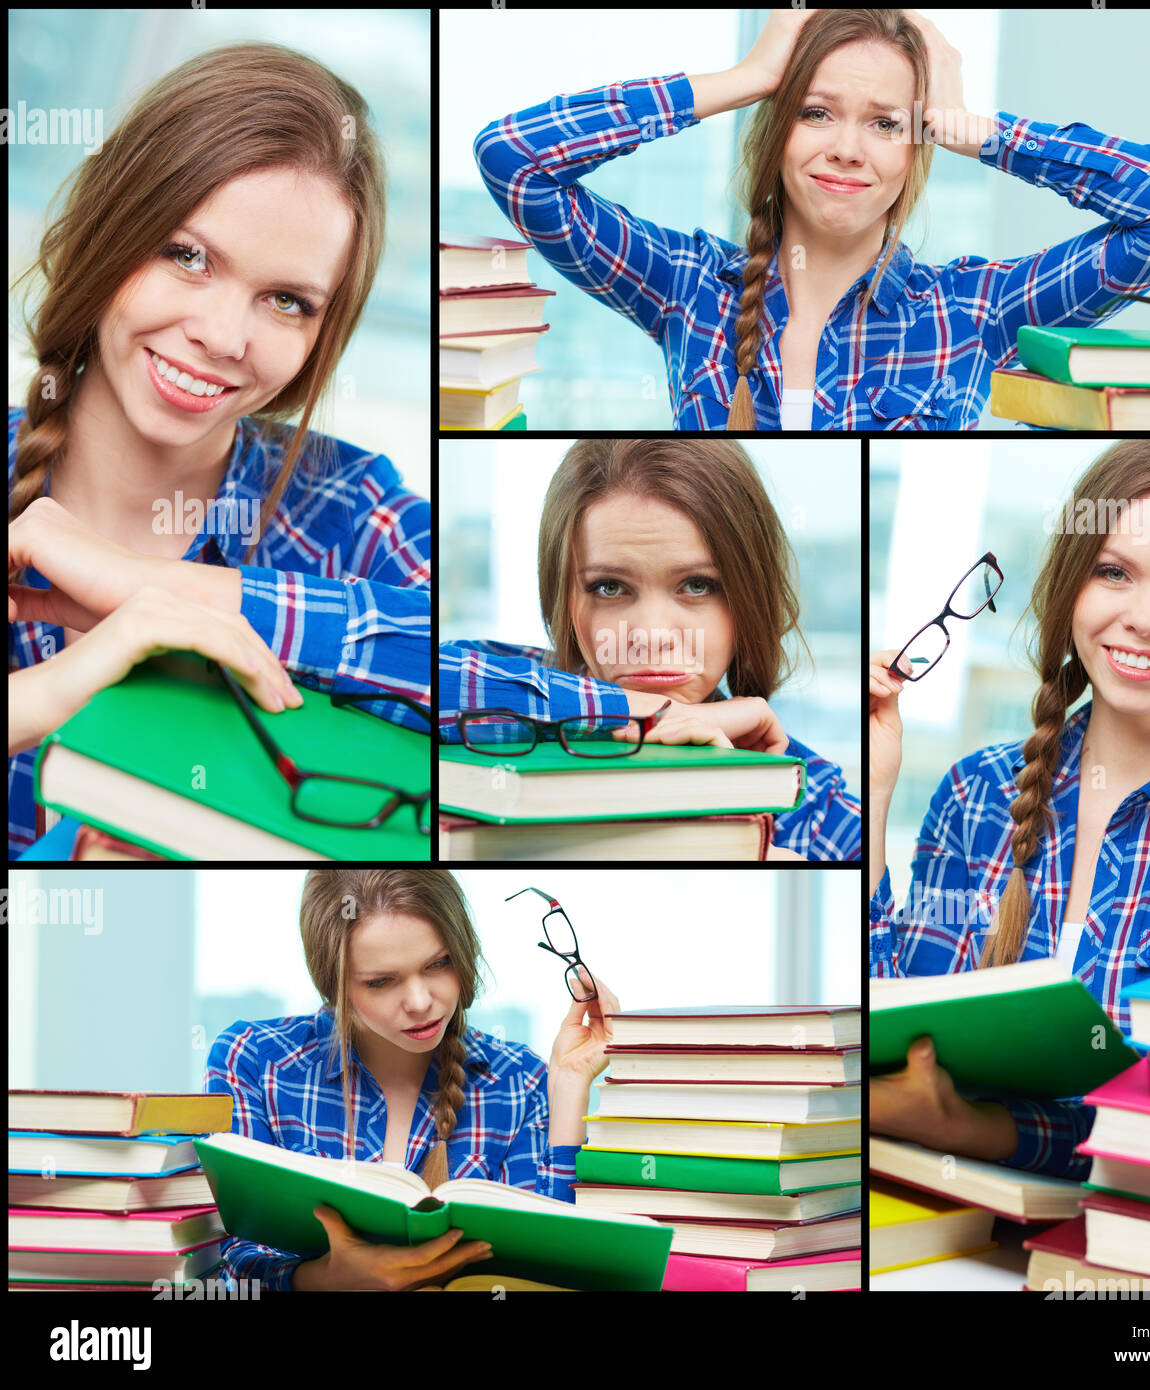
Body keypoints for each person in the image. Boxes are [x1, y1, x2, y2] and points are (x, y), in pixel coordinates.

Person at [7, 44, 430, 858]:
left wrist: (159, 588)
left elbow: (499, 660)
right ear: (110, 228)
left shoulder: (345, 509)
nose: (224, 337)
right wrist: (50, 694)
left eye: (286, 301)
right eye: (187, 255)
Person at [473, 10, 1150, 430]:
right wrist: (746, 80)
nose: (845, 149)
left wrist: (973, 127)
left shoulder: (974, 310)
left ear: (915, 147)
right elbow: (515, 160)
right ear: (777, 133)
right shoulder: (687, 285)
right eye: (815, 112)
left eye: (884, 124)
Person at [869, 440, 1150, 1177]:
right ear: (1070, 586)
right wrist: (873, 800)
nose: (1146, 618)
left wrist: (975, 1128)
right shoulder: (975, 793)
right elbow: (889, 1040)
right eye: (1113, 573)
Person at [439, 439, 862, 861]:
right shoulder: (493, 682)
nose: (652, 635)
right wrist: (632, 714)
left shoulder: (815, 807)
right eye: (610, 587)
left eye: (698, 586)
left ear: (750, 598)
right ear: (563, 601)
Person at [205, 869, 620, 1292]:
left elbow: (554, 1265)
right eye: (381, 981)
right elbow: (232, 1263)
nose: (421, 1002)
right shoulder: (256, 1060)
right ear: (334, 984)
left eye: (439, 964)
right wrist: (324, 1281)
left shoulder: (520, 1082)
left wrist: (569, 1085)